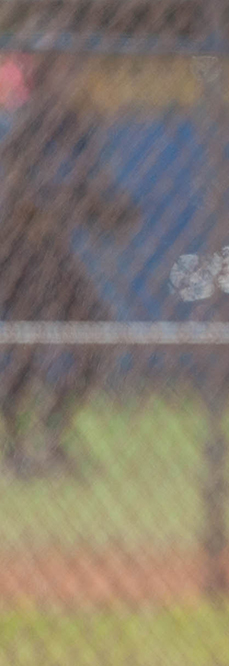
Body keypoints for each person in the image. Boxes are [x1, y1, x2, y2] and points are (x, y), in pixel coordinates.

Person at [0, 46, 138, 476]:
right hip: (15, 251)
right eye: (61, 64)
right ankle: (15, 450)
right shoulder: (23, 123)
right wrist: (68, 204)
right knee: (24, 351)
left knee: (95, 336)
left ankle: (51, 439)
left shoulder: (75, 125)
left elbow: (85, 188)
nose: (71, 73)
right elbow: (16, 198)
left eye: (72, 63)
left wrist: (106, 210)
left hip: (54, 251)